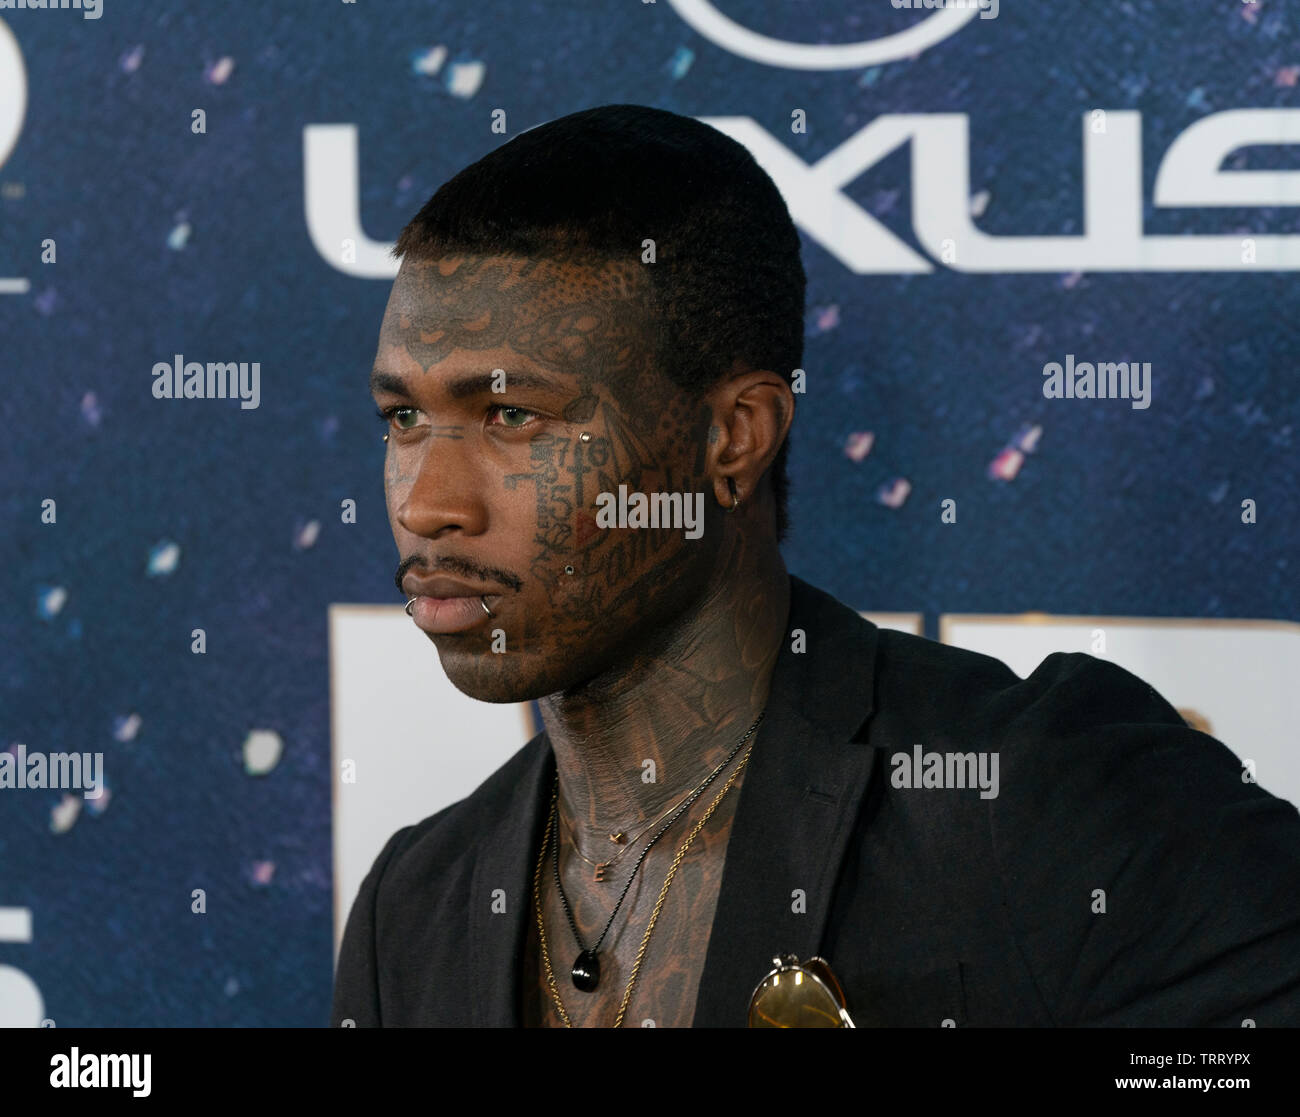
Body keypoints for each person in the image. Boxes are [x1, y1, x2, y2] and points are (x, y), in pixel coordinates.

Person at [332, 104, 1300, 1028]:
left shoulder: (1034, 799)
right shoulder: (411, 914)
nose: (426, 502)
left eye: (510, 416)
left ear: (733, 437)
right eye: (403, 418)